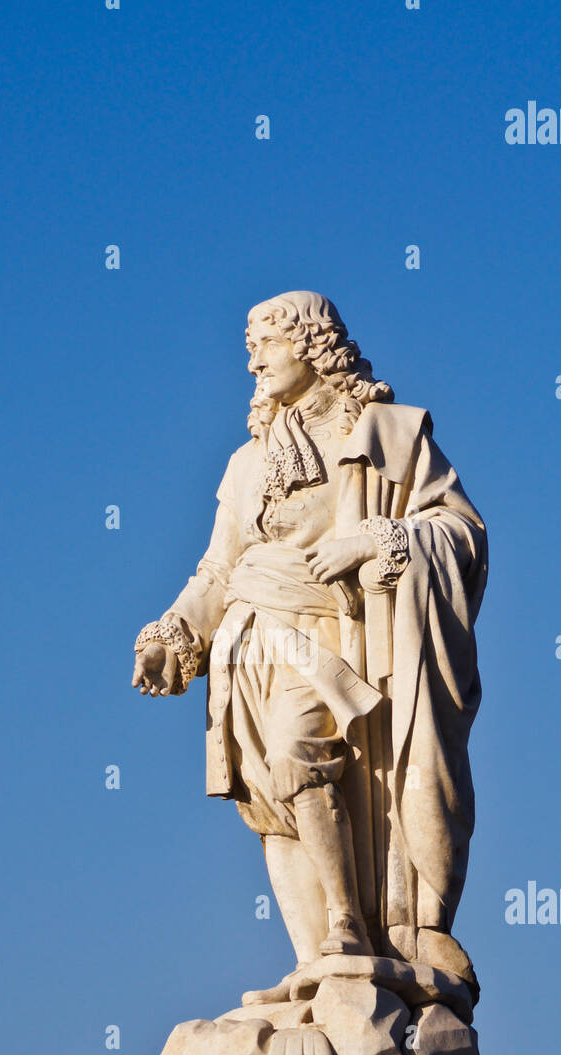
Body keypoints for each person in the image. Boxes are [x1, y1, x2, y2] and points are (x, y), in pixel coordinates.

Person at [133, 291, 486, 1006]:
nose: (253, 358)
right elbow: (218, 570)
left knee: (303, 755)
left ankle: (352, 931)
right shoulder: (244, 464)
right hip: (246, 640)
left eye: (265, 341)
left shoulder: (387, 434)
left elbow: (461, 533)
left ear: (313, 343)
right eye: (248, 345)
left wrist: (378, 540)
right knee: (270, 799)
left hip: (332, 637)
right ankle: (317, 958)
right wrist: (173, 633)